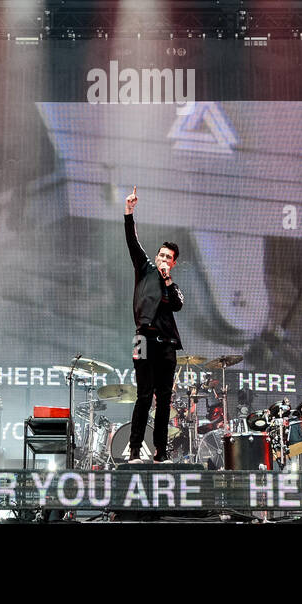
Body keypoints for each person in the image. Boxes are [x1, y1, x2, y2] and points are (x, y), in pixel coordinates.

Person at [124, 186, 183, 464]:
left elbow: (177, 304)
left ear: (173, 263)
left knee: (164, 399)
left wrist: (168, 280)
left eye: (167, 257)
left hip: (167, 345)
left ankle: (161, 452)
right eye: (160, 254)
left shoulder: (172, 286)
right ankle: (135, 451)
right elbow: (132, 242)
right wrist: (129, 212)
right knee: (144, 395)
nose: (162, 259)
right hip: (142, 339)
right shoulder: (145, 269)